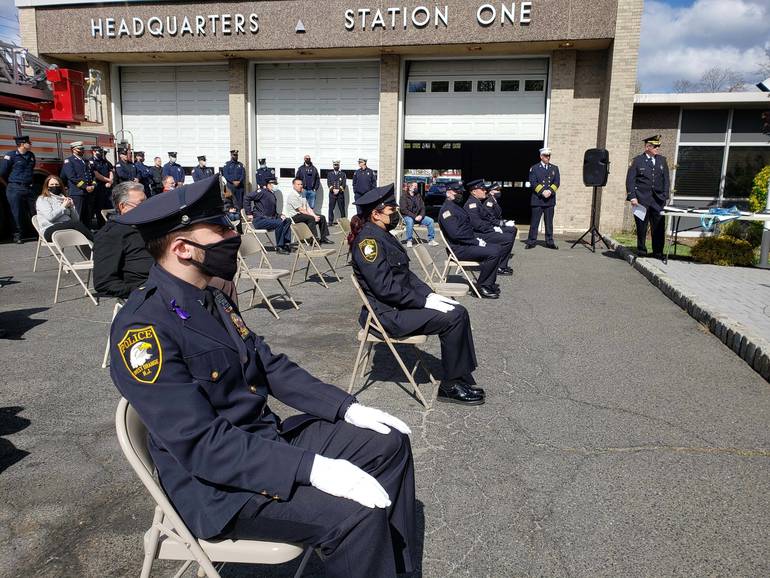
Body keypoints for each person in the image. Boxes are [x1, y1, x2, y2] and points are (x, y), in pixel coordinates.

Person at [109, 175, 417, 577]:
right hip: (220, 487)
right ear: (183, 249)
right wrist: (312, 468)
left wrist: (345, 408)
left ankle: (393, 567)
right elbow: (204, 445)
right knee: (354, 515)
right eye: (218, 229)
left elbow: (267, 364)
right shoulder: (143, 330)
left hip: (262, 440)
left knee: (388, 442)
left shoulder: (210, 294)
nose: (231, 234)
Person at [351, 184, 485, 406]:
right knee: (452, 319)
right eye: (391, 210)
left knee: (458, 311)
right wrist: (423, 301)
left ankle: (458, 375)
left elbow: (407, 276)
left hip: (398, 306)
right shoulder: (368, 242)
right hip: (386, 315)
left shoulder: (383, 234)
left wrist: (431, 295)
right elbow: (386, 289)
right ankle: (449, 385)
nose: (395, 214)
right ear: (375, 214)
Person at [438, 184, 503, 299]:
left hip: (466, 244)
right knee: (493, 253)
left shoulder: (455, 206)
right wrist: (475, 241)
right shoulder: (446, 210)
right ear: (448, 193)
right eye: (456, 192)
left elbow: (466, 228)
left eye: (461, 193)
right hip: (458, 248)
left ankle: (488, 283)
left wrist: (476, 239)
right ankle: (482, 286)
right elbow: (456, 234)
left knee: (497, 248)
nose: (459, 194)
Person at [93, 181, 152, 299]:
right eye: (141, 203)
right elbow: (104, 283)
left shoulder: (145, 226)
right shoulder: (110, 235)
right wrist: (143, 291)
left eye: (147, 202)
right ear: (123, 206)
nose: (147, 207)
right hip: (150, 291)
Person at [626, 135, 670, 258]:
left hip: (658, 200)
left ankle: (658, 251)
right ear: (647, 147)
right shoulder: (637, 161)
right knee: (641, 226)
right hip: (641, 199)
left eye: (659, 146)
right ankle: (641, 250)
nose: (658, 148)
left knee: (659, 226)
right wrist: (632, 197)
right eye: (655, 146)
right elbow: (630, 180)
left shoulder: (662, 160)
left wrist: (665, 195)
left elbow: (666, 179)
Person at [463, 179, 514, 275]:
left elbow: (487, 218)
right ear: (474, 192)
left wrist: (500, 224)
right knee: (507, 238)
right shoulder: (472, 204)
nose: (485, 191)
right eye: (482, 189)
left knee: (509, 234)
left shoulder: (477, 202)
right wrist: (493, 229)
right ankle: (500, 266)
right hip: (476, 234)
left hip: (482, 230)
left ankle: (501, 265)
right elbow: (477, 224)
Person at [35, 174, 93, 256]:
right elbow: (50, 217)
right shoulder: (43, 199)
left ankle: (93, 260)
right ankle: (97, 242)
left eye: (57, 184)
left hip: (65, 227)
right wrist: (63, 207)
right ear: (47, 187)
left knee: (81, 233)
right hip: (49, 230)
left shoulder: (64, 198)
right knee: (76, 225)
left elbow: (76, 219)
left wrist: (72, 207)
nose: (54, 186)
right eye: (52, 185)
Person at [0, 135, 36, 243]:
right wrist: (10, 185)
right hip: (15, 188)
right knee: (16, 212)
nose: (31, 143)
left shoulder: (31, 155)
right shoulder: (10, 156)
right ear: (21, 144)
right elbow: (2, 173)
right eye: (28, 142)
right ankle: (18, 235)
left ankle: (37, 233)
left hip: (29, 188)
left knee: (34, 211)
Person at [243, 177, 292, 254]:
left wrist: (279, 216)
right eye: (274, 184)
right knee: (280, 223)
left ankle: (286, 244)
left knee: (287, 220)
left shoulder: (271, 194)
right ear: (268, 185)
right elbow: (247, 197)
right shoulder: (262, 192)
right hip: (260, 220)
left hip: (269, 219)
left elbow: (271, 212)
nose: (276, 185)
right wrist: (248, 213)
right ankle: (280, 247)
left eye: (276, 184)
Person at [526, 147, 560, 250]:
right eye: (546, 155)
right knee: (535, 223)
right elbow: (533, 182)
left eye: (549, 155)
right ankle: (531, 242)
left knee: (549, 223)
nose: (548, 157)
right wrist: (542, 192)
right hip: (538, 200)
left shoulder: (554, 168)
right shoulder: (534, 168)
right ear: (541, 156)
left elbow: (557, 182)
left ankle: (550, 242)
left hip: (550, 200)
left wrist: (550, 191)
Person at [286, 177, 333, 244]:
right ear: (293, 185)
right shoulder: (292, 195)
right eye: (298, 184)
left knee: (321, 217)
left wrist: (315, 216)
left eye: (301, 184)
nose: (300, 186)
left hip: (303, 215)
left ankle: (323, 238)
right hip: (295, 216)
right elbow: (301, 210)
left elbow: (308, 208)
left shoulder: (302, 194)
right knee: (310, 218)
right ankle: (313, 239)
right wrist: (313, 217)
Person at [60, 141, 96, 225]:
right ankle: (78, 232)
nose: (82, 150)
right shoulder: (69, 161)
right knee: (77, 215)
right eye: (80, 149)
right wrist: (85, 186)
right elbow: (71, 177)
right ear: (73, 150)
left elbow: (92, 175)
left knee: (88, 215)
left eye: (83, 149)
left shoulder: (86, 161)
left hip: (88, 192)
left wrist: (93, 185)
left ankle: (87, 231)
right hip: (77, 193)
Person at [399, 182, 438, 248]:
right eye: (415, 186)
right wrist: (415, 217)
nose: (416, 188)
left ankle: (431, 240)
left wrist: (421, 215)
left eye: (416, 186)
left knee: (430, 221)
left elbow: (423, 207)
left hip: (418, 216)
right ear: (410, 187)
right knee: (410, 221)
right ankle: (409, 240)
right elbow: (404, 210)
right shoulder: (404, 196)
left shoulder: (418, 195)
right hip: (408, 216)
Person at [91, 146, 115, 227]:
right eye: (99, 152)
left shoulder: (105, 161)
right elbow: (96, 174)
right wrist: (108, 180)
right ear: (94, 152)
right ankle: (101, 226)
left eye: (101, 152)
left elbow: (111, 171)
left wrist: (110, 181)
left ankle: (110, 224)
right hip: (99, 187)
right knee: (100, 208)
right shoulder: (91, 161)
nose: (101, 154)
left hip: (108, 187)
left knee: (109, 206)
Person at [326, 160, 347, 225]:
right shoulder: (330, 174)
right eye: (335, 165)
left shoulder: (342, 174)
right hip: (332, 194)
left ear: (339, 165)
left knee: (342, 209)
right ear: (333, 165)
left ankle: (344, 222)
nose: (336, 166)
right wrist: (333, 190)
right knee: (331, 208)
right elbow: (328, 183)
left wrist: (339, 190)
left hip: (340, 194)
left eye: (337, 165)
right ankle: (330, 222)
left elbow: (344, 184)